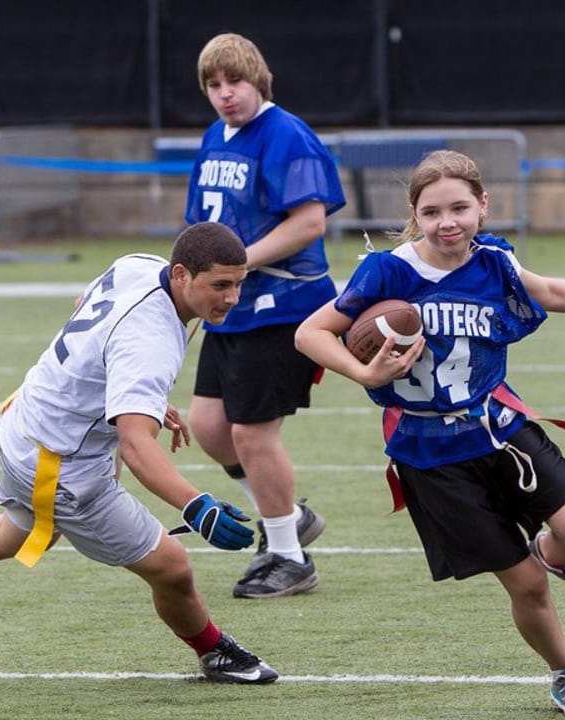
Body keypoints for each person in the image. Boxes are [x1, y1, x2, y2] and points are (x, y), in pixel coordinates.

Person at [295, 150, 565, 717]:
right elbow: (311, 333)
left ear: (483, 205)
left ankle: (557, 552)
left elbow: (549, 293)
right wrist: (364, 371)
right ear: (414, 213)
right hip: (431, 454)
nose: (449, 222)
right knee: (527, 586)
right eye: (433, 210)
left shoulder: (494, 260)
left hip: (499, 427)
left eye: (461, 207)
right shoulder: (388, 272)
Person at [0, 222, 279, 684]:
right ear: (180, 275)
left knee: (13, 534)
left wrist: (135, 395)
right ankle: (214, 651)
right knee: (172, 567)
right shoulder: (149, 339)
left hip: (28, 421)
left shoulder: (138, 264)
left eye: (239, 283)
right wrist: (198, 507)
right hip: (61, 465)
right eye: (220, 285)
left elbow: (83, 311)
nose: (232, 297)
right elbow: (135, 444)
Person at [183, 32, 345, 599]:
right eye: (214, 84)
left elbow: (308, 223)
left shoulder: (286, 135)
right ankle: (288, 519)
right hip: (232, 307)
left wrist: (237, 265)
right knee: (208, 427)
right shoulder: (214, 136)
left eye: (236, 82)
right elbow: (203, 230)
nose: (226, 94)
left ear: (259, 80)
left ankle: (288, 556)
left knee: (252, 433)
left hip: (283, 307)